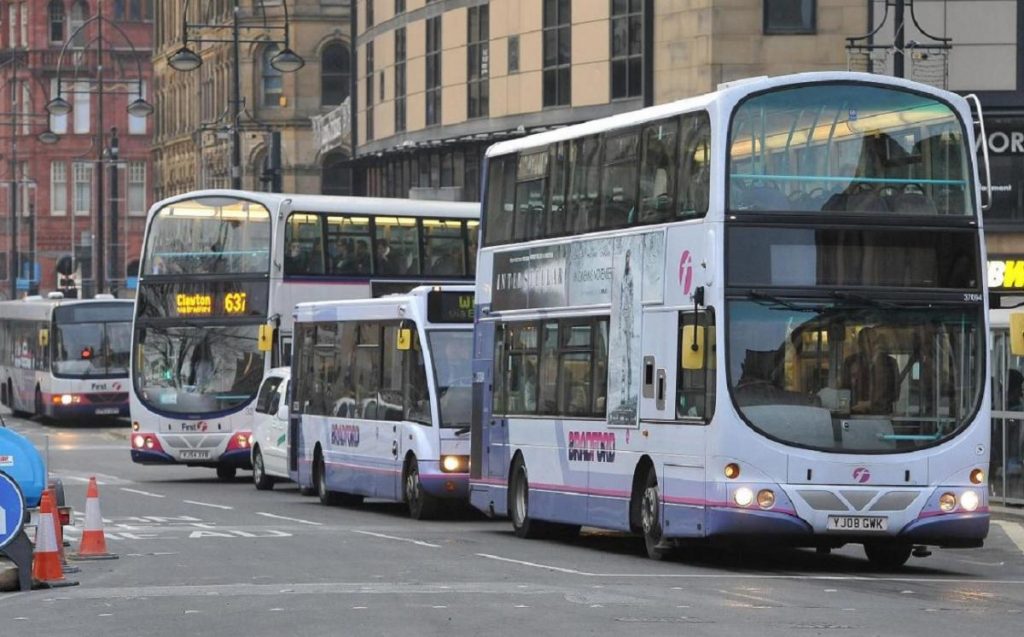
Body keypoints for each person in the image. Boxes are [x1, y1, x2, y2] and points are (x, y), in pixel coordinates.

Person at [843, 327, 899, 414]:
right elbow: (844, 390)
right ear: (860, 344)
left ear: (877, 343)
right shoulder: (850, 362)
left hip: (882, 415)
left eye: (873, 342)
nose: (870, 346)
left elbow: (895, 394)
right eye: (865, 342)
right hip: (855, 415)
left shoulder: (890, 363)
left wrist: (871, 404)